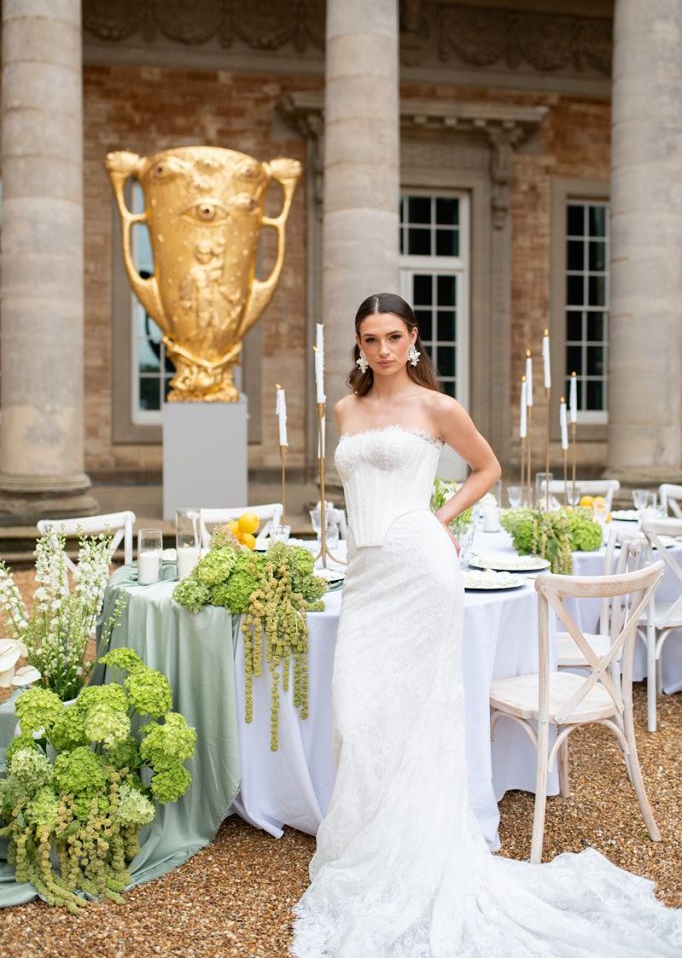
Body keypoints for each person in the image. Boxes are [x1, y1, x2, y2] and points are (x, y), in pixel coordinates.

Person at [291, 292, 681, 957]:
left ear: (413, 338)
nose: (381, 350)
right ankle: (367, 842)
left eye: (392, 336)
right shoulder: (344, 409)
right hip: (365, 578)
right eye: (369, 339)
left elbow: (489, 467)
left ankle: (417, 852)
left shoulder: (437, 407)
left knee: (419, 714)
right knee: (357, 716)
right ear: (358, 345)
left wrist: (436, 521)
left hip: (419, 569)